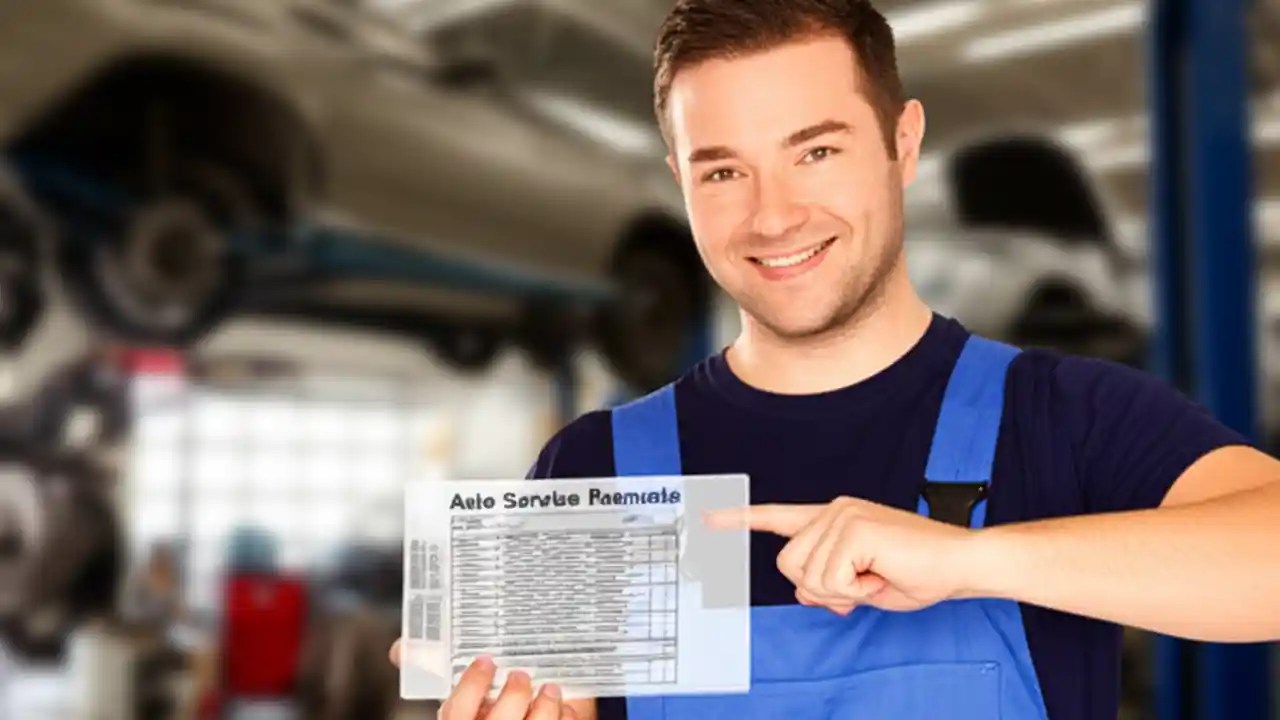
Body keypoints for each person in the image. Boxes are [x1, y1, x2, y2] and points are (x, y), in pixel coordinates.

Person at [391, 1, 1280, 718]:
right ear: (679, 179)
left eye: (815, 151)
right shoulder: (596, 470)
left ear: (903, 143)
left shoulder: (1061, 417)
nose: (773, 216)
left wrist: (971, 561)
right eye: (723, 171)